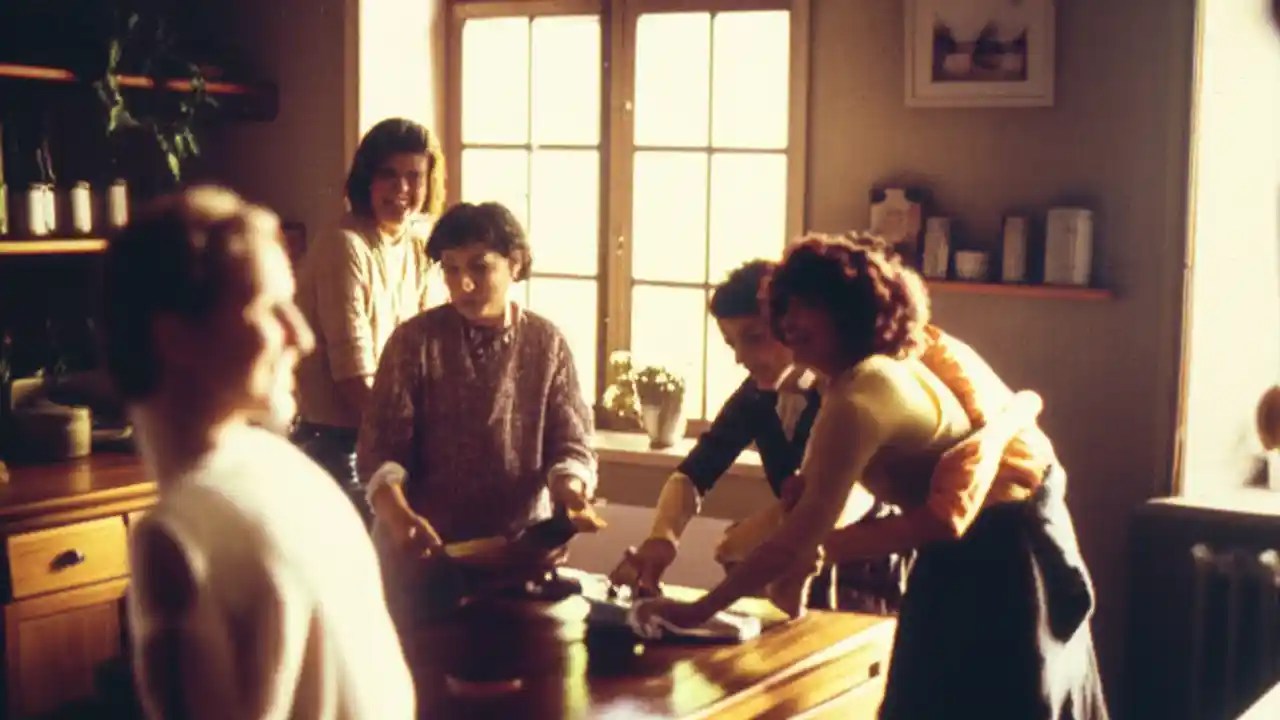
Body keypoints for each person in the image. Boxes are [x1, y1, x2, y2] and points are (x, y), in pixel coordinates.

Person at [636, 232, 1107, 719]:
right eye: (785, 310)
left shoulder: (864, 393)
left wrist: (695, 610)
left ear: (849, 311)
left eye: (805, 310)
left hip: (1002, 553)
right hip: (953, 551)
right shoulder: (837, 379)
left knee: (993, 701)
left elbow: (801, 539)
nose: (790, 323)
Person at [100, 187, 414, 719]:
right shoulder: (296, 476)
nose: (302, 335)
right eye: (269, 307)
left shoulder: (176, 539)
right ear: (176, 338)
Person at [607, 259, 906, 613]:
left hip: (867, 567)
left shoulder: (851, 393)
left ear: (794, 327)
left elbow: (857, 494)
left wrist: (759, 534)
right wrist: (662, 538)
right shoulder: (757, 396)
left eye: (754, 338)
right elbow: (695, 472)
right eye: (731, 342)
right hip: (795, 561)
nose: (740, 357)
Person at [357, 201, 604, 617]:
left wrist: (571, 491)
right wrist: (398, 516)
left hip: (519, 558)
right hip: (424, 561)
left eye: (479, 267)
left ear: (516, 264)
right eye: (450, 269)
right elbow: (381, 451)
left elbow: (572, 442)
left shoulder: (547, 342)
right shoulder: (414, 342)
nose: (463, 284)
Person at [293, 117, 446, 514]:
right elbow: (353, 377)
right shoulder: (345, 246)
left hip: (385, 441)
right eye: (389, 175)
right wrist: (407, 447)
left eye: (415, 177)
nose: (402, 190)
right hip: (336, 446)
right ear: (366, 179)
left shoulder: (417, 247)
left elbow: (428, 356)